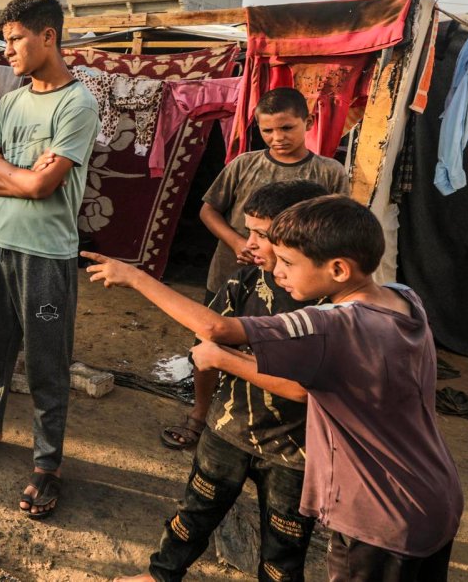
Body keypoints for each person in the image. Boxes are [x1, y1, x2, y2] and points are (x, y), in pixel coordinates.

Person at [92, 196, 463, 582]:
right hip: (435, 494)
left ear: (337, 269)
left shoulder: (331, 325)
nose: (279, 271)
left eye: (288, 263)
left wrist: (135, 277)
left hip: (380, 515)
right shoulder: (404, 297)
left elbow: (218, 330)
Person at [82, 180, 331, 582]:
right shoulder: (244, 283)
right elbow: (205, 353)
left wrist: (136, 278)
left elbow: (219, 336)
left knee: (284, 547)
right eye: (247, 230)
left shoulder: (327, 306)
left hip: (293, 450)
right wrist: (202, 413)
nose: (248, 243)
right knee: (194, 513)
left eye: (261, 235)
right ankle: (161, 575)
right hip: (227, 428)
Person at [0, 0, 100, 520]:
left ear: (47, 36)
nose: (6, 50)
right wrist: (23, 174)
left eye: (14, 39)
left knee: (47, 366)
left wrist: (14, 174)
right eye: (5, 40)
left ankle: (48, 465)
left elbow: (44, 188)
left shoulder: (78, 104)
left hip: (47, 257)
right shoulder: (9, 102)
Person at [166, 87, 348, 452]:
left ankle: (273, 433)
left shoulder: (328, 172)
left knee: (278, 356)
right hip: (230, 273)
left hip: (293, 284)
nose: (277, 138)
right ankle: (200, 416)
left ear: (308, 123)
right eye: (268, 130)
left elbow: (335, 227)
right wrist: (237, 242)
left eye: (286, 128)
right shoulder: (244, 165)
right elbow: (208, 210)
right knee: (210, 340)